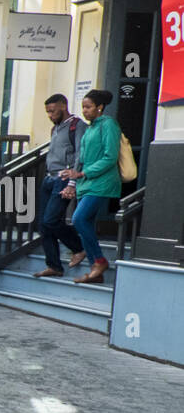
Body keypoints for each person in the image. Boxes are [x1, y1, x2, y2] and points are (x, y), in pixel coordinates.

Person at [60, 89, 123, 285]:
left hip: (101, 182)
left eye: (88, 107)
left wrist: (84, 173)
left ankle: (100, 261)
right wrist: (73, 177)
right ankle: (96, 270)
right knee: (83, 223)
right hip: (86, 183)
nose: (85, 111)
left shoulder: (109, 124)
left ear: (100, 107)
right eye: (83, 108)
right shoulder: (91, 127)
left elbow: (110, 157)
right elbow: (83, 156)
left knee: (78, 219)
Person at [32, 95, 86, 278]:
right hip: (49, 179)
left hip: (64, 178)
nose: (49, 115)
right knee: (43, 225)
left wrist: (72, 183)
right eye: (47, 111)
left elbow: (80, 155)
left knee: (51, 220)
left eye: (52, 110)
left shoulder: (77, 125)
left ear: (63, 106)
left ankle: (79, 247)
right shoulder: (55, 128)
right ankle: (54, 266)